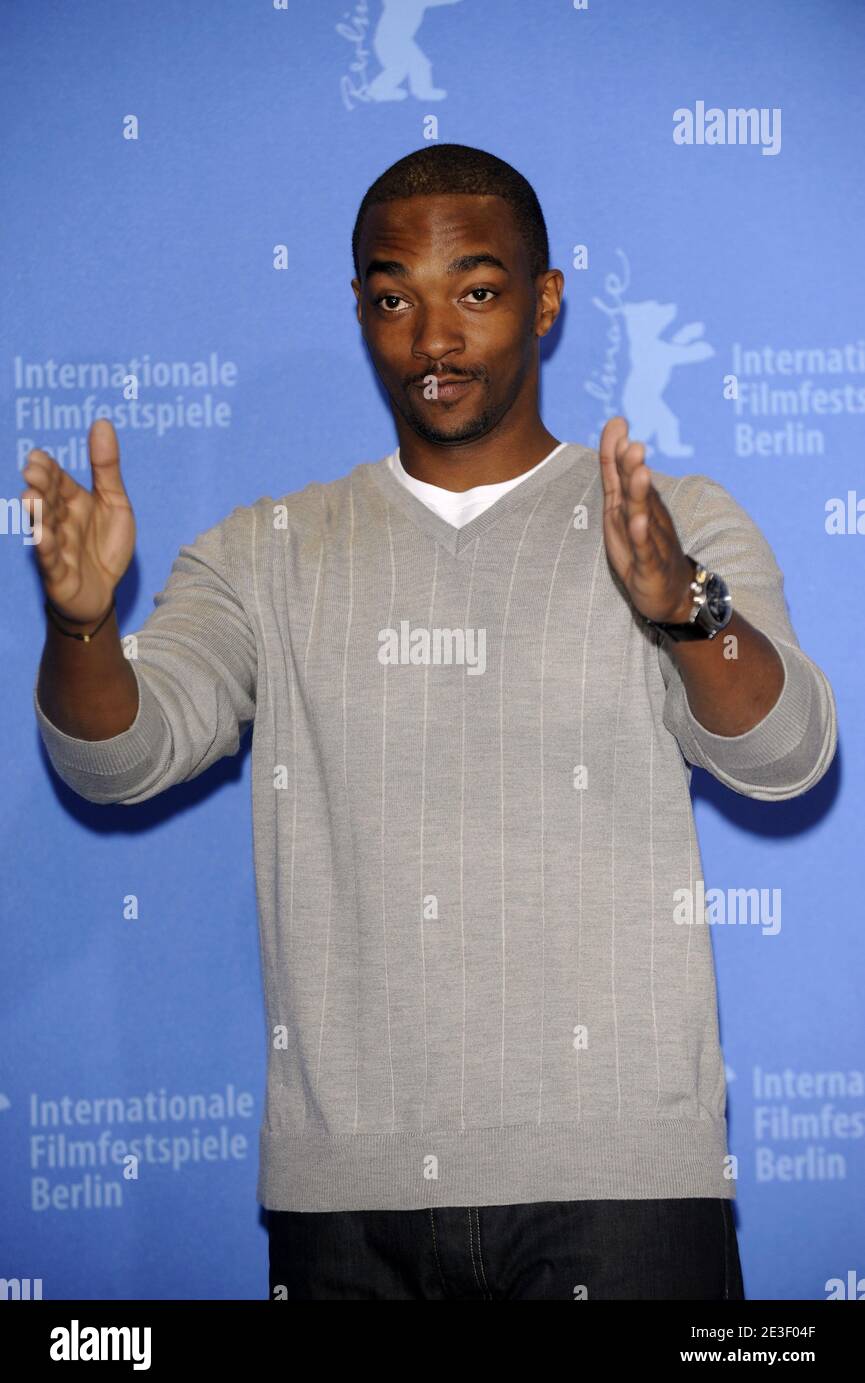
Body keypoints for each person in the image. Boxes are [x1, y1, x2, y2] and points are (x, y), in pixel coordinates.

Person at [23, 144, 837, 1301]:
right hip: (346, 1207)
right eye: (395, 296)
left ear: (545, 303)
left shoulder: (673, 525)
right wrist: (84, 624)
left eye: (478, 291)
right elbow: (118, 760)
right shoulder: (269, 551)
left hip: (624, 1190)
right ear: (360, 308)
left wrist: (684, 610)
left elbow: (788, 756)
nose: (435, 338)